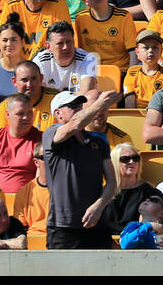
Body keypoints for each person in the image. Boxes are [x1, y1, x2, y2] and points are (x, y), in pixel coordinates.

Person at [41, 88, 118, 249]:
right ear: (58, 114)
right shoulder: (51, 134)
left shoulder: (99, 142)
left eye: (80, 105)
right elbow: (74, 125)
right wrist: (99, 104)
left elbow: (111, 182)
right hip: (63, 227)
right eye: (72, 105)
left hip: (97, 224)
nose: (79, 108)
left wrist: (99, 205)